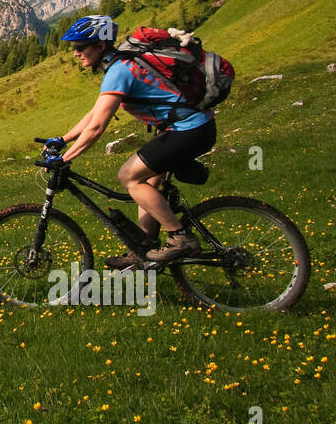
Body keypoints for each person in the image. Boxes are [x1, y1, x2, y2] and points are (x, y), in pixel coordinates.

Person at [45, 15, 217, 266]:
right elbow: (96, 112)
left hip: (189, 130)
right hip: (188, 128)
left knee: (128, 176)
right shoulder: (119, 66)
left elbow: (96, 128)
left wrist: (64, 158)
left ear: (101, 46)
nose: (75, 53)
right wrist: (63, 138)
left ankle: (180, 238)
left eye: (80, 47)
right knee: (146, 181)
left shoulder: (120, 70)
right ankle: (143, 249)